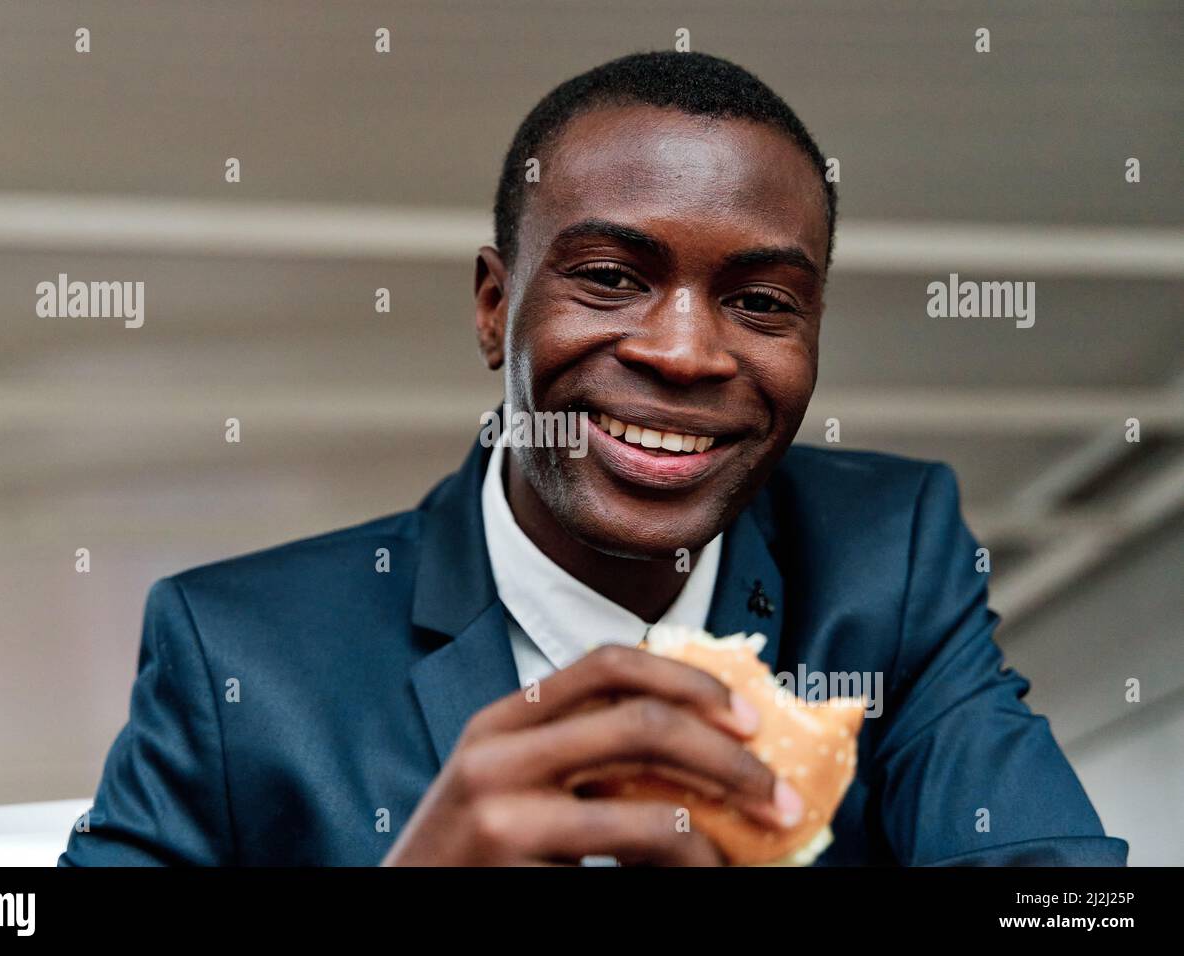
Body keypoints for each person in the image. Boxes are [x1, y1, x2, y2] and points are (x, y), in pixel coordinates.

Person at [60, 51, 1125, 866]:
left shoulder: (887, 560)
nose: (683, 352)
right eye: (610, 276)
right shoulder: (239, 652)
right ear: (493, 307)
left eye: (760, 301)